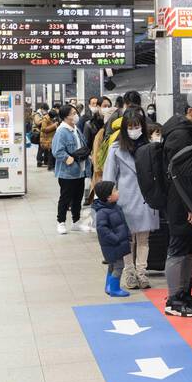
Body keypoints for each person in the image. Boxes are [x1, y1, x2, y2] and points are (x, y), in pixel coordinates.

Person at [161, 102, 192, 318]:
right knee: (179, 247)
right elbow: (182, 176)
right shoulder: (181, 136)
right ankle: (173, 298)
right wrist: (190, 205)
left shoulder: (183, 132)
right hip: (182, 203)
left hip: (188, 202)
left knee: (190, 247)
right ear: (190, 111)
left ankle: (184, 293)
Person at [106, 106, 159, 290]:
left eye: (137, 126)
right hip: (125, 199)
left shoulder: (150, 148)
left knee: (144, 239)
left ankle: (142, 273)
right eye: (130, 126)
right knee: (127, 239)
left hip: (145, 198)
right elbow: (108, 177)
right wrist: (108, 198)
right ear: (124, 128)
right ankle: (129, 273)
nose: (134, 129)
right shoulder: (115, 149)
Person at [52, 105, 89, 233]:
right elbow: (57, 151)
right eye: (73, 113)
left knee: (78, 198)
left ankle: (76, 222)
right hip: (67, 172)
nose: (76, 115)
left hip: (80, 170)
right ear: (66, 116)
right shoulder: (61, 131)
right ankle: (61, 222)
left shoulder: (75, 129)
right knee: (65, 198)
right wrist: (69, 159)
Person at [93, 180, 132, 298]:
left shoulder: (115, 207)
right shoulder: (103, 212)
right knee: (119, 266)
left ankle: (109, 286)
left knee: (112, 265)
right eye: (115, 190)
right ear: (108, 197)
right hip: (112, 245)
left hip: (117, 243)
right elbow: (102, 229)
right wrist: (116, 238)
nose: (118, 191)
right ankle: (114, 288)